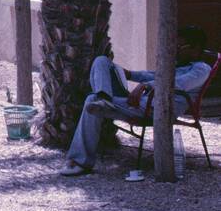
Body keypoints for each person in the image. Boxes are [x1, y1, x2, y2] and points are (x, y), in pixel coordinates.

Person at [60, 25, 210, 176]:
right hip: (138, 104)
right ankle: (103, 98)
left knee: (91, 100)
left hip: (154, 110)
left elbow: (178, 84)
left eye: (179, 46)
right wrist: (130, 74)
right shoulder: (178, 65)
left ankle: (79, 161)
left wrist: (146, 86)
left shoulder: (201, 69)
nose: (175, 50)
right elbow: (153, 75)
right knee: (101, 61)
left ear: (195, 48)